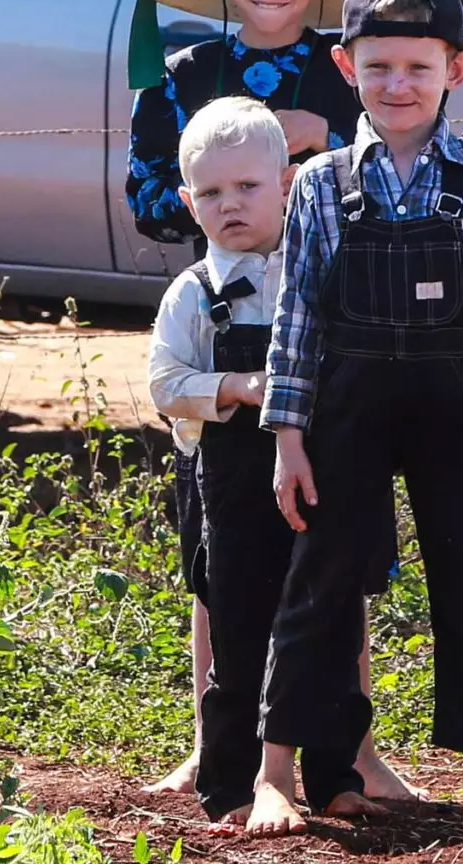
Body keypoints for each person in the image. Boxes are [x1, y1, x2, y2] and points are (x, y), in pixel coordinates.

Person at [252, 0, 463, 846]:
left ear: (456, 71)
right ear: (347, 66)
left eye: (418, 68)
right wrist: (287, 433)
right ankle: (276, 773)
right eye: (378, 65)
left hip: (454, 402)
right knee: (319, 580)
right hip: (346, 400)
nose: (398, 85)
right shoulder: (318, 185)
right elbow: (297, 313)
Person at [127, 0, 407, 799]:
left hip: (329, 333)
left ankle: (353, 748)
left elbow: (385, 189)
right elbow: (153, 202)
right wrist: (237, 177)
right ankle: (219, 743)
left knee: (335, 553)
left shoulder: (349, 71)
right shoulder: (186, 77)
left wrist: (311, 155)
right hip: (219, 326)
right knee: (220, 560)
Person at [148, 96, 389, 829]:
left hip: (321, 473)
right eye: (212, 194)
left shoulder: (317, 269)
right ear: (190, 203)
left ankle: (334, 773)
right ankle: (231, 783)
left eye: (248, 187)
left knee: (330, 622)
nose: (231, 206)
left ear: (286, 184)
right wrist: (234, 387)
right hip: (234, 481)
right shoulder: (194, 294)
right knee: (241, 625)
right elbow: (164, 384)